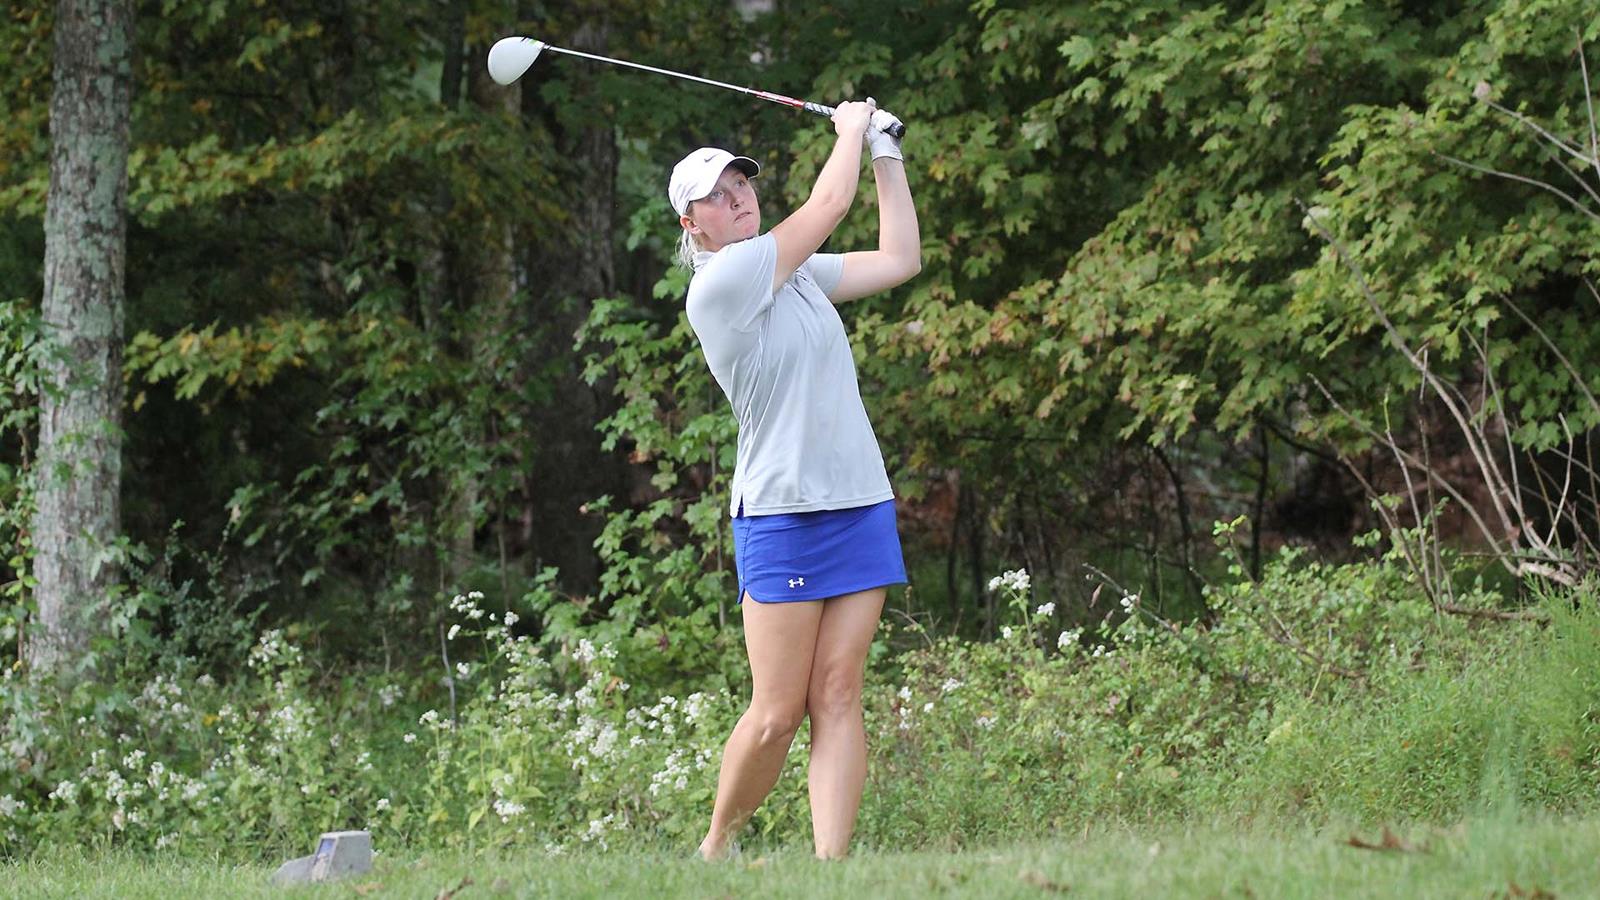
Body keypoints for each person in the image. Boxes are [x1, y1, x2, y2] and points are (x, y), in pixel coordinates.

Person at [666, 98, 920, 861]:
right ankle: (715, 849)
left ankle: (830, 868)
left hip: (859, 501)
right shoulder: (724, 281)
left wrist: (885, 152)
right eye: (715, 197)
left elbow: (900, 259)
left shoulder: (796, 273)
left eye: (740, 184)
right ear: (693, 225)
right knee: (778, 711)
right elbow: (829, 204)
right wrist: (850, 129)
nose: (736, 198)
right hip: (782, 513)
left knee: (839, 691)